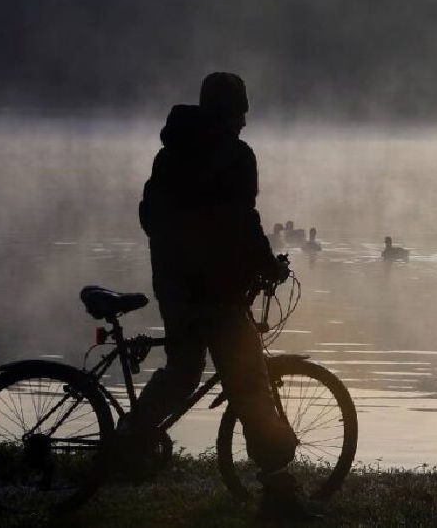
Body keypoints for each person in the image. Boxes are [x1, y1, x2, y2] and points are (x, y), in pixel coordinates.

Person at [127, 72, 319, 520]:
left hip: (176, 288)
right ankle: (279, 491)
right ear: (229, 110)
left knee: (182, 373)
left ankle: (127, 441)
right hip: (217, 293)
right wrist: (267, 267)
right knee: (250, 384)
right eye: (242, 110)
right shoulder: (235, 156)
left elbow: (151, 217)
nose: (246, 121)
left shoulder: (169, 154)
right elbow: (243, 223)